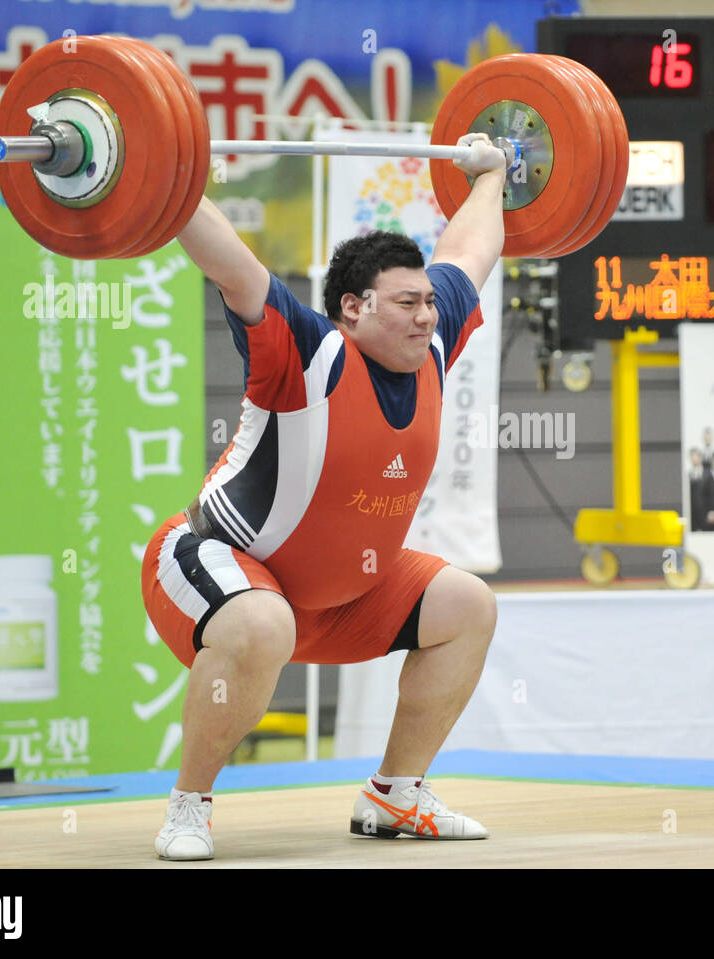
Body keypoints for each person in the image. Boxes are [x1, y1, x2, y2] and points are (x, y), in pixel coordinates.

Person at [141, 133, 508, 860]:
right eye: (406, 303)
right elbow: (231, 265)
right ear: (352, 307)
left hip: (335, 602)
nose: (426, 316)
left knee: (470, 607)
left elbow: (472, 252)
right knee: (263, 625)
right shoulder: (303, 354)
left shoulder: (431, 347)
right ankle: (188, 807)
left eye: (429, 302)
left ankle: (395, 796)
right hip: (213, 566)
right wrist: (160, 172)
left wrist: (494, 175)